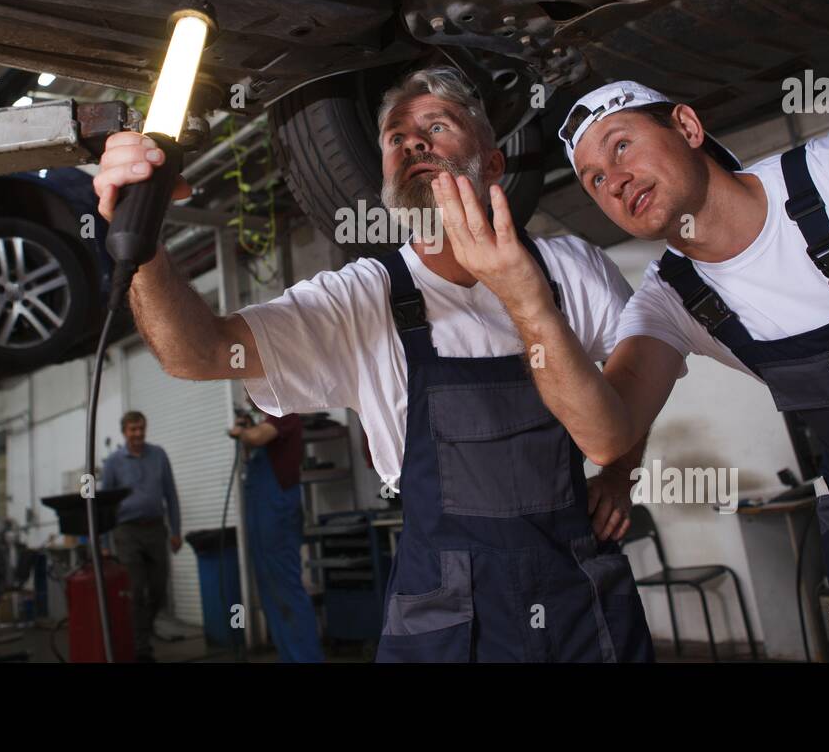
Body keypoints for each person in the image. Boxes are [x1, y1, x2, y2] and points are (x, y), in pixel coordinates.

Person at [433, 78, 829, 661]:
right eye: (593, 179)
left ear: (688, 126)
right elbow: (604, 432)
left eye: (621, 145)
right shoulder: (672, 299)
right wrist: (524, 299)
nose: (614, 180)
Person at [93, 66, 654, 662]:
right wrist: (143, 236)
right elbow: (195, 354)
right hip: (444, 609)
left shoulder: (572, 268)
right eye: (394, 137)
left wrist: (619, 474)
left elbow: (636, 384)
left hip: (578, 594)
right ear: (385, 173)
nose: (413, 141)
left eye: (437, 126)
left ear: (492, 163)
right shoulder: (360, 299)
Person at [229, 401, 324, 662]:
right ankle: (290, 656)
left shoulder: (284, 413)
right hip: (263, 518)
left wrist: (240, 433)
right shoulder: (267, 420)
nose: (248, 395)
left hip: (276, 516)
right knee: (271, 590)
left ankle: (306, 658)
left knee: (287, 589)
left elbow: (259, 437)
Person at [101, 410, 182, 662]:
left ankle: (141, 633)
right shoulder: (113, 462)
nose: (137, 433)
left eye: (141, 428)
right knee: (135, 590)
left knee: (158, 589)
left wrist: (176, 530)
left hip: (156, 529)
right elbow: (104, 503)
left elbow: (171, 494)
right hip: (127, 532)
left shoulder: (158, 455)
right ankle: (141, 648)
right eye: (132, 429)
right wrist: (104, 542)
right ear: (124, 432)